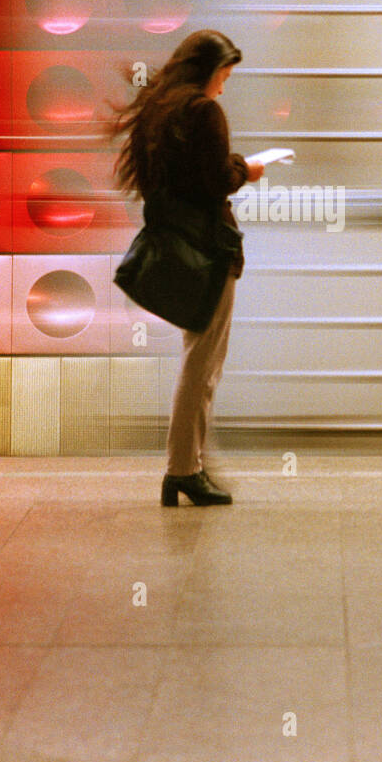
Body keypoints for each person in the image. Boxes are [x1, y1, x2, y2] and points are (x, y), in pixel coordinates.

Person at [111, 31, 264, 506]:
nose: (225, 84)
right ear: (208, 70)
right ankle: (184, 470)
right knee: (203, 365)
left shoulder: (161, 109)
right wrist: (247, 169)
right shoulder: (203, 111)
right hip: (209, 250)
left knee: (198, 359)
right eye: (225, 74)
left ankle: (191, 461)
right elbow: (216, 180)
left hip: (179, 247)